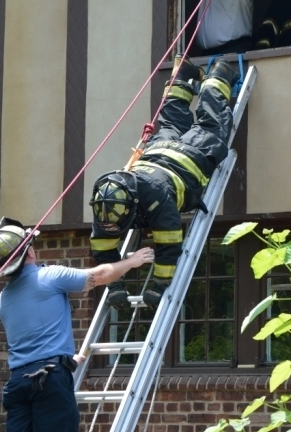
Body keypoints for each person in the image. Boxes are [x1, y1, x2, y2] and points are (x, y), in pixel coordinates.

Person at [0, 218, 153, 432]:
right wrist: (131, 261)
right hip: (50, 382)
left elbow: (32, 342)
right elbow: (98, 276)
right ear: (29, 251)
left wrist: (67, 361)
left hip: (19, 384)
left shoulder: (3, 299)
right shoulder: (48, 276)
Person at [88, 56, 241, 309]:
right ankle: (183, 75)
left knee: (212, 122)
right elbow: (103, 246)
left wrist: (158, 286)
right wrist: (114, 286)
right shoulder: (108, 201)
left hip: (189, 157)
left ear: (133, 204)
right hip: (158, 149)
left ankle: (219, 74)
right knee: (171, 119)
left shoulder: (155, 198)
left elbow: (169, 245)